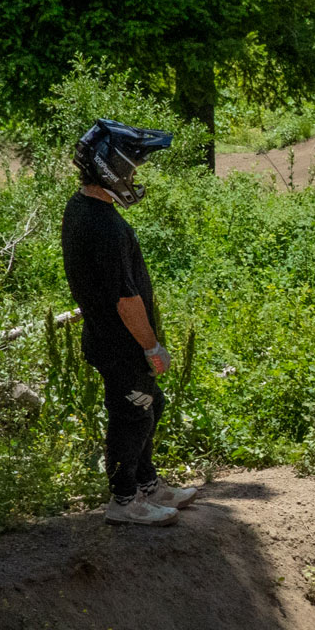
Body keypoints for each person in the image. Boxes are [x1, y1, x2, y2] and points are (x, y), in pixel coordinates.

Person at [59, 119, 194, 526]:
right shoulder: (105, 225)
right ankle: (123, 501)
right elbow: (126, 299)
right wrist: (152, 347)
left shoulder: (81, 207)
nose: (134, 176)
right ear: (111, 169)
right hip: (119, 342)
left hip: (106, 336)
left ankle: (147, 484)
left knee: (152, 404)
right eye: (131, 168)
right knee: (132, 414)